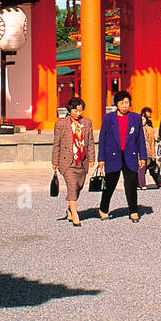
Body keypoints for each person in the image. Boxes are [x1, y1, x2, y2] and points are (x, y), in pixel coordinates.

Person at [95, 89, 148, 222]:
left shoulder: (136, 118)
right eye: (121, 103)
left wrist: (143, 157)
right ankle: (103, 208)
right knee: (110, 184)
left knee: (131, 184)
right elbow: (103, 138)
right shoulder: (108, 118)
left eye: (126, 103)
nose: (124, 105)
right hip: (113, 155)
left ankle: (133, 211)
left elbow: (140, 139)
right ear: (116, 104)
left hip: (130, 155)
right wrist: (101, 158)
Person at [51, 97, 94, 227]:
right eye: (75, 110)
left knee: (79, 186)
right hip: (67, 160)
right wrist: (55, 161)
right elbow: (56, 144)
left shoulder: (87, 123)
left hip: (82, 159)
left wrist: (92, 158)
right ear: (70, 110)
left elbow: (90, 142)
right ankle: (75, 214)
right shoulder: (61, 124)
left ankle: (70, 209)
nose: (78, 113)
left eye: (80, 111)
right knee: (72, 185)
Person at [139, 107, 161, 189]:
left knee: (153, 167)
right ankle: (141, 183)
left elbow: (152, 142)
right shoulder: (137, 128)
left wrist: (153, 154)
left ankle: (159, 181)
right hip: (141, 152)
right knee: (143, 169)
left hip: (149, 151)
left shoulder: (150, 128)